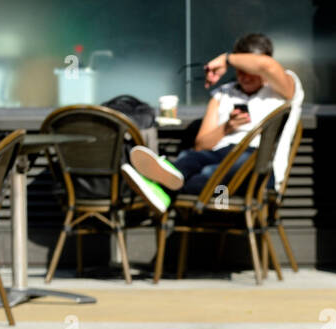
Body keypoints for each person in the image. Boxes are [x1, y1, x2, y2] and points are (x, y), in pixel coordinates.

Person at [122, 33, 295, 211]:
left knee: (225, 166)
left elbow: (267, 65)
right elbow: (201, 145)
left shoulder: (283, 90)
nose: (245, 76)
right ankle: (161, 183)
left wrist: (225, 59)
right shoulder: (223, 94)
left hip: (257, 173)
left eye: (250, 70)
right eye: (240, 71)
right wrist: (227, 128)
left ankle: (161, 189)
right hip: (222, 176)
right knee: (190, 158)